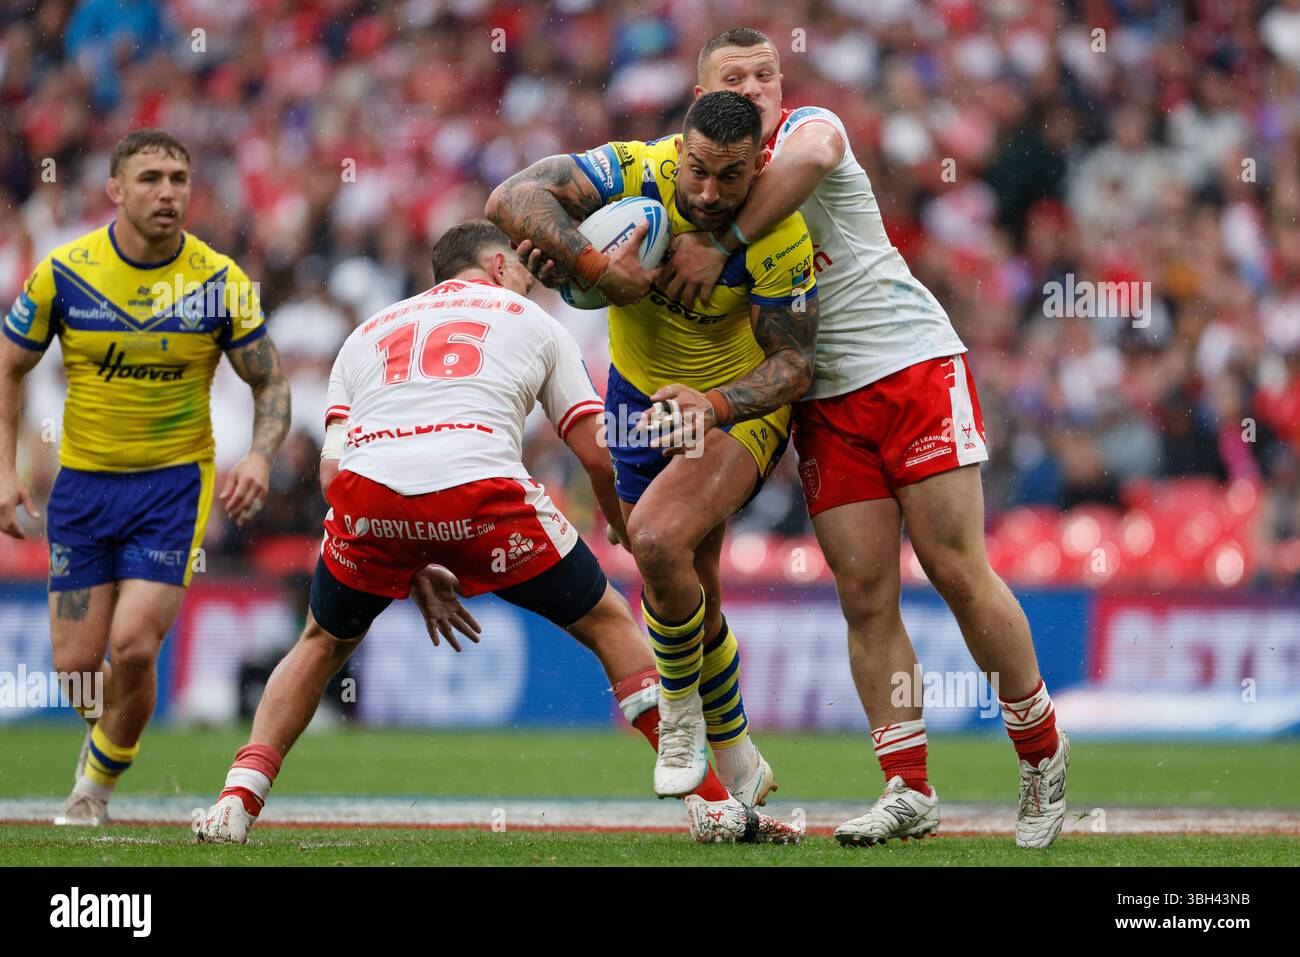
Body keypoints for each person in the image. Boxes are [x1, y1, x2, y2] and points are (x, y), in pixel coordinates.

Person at [193, 220, 802, 845]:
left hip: (369, 498)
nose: (533, 279)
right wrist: (625, 527)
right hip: (481, 490)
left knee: (320, 642)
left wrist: (408, 558)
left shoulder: (366, 333)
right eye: (526, 268)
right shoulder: (529, 318)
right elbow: (596, 453)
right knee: (609, 624)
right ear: (499, 266)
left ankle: (234, 803)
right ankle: (711, 806)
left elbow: (331, 473)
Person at [660, 29, 1070, 849]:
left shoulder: (810, 130)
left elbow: (810, 161)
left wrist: (722, 246)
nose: (757, 86)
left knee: (955, 567)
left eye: (765, 73)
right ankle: (908, 786)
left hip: (911, 364)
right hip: (822, 400)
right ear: (700, 97)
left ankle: (1040, 751)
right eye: (733, 76)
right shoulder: (693, 182)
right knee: (865, 591)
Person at [487, 91, 819, 807]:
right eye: (697, 170)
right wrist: (597, 269)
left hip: (732, 410)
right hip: (637, 402)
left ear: (760, 164)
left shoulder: (780, 233)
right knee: (687, 586)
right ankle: (738, 757)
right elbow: (512, 198)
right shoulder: (638, 172)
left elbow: (795, 365)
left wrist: (720, 403)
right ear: (680, 150)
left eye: (730, 178)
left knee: (658, 539)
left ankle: (678, 716)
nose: (707, 191)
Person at [0, 128, 290, 827]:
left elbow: (270, 381)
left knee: (132, 646)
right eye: (152, 178)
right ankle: (110, 738)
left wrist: (258, 455)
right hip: (81, 488)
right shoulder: (63, 271)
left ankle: (93, 787)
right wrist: (5, 470)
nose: (168, 192)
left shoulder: (220, 282)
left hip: (171, 488)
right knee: (76, 668)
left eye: (179, 179)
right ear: (116, 190)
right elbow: (9, 365)